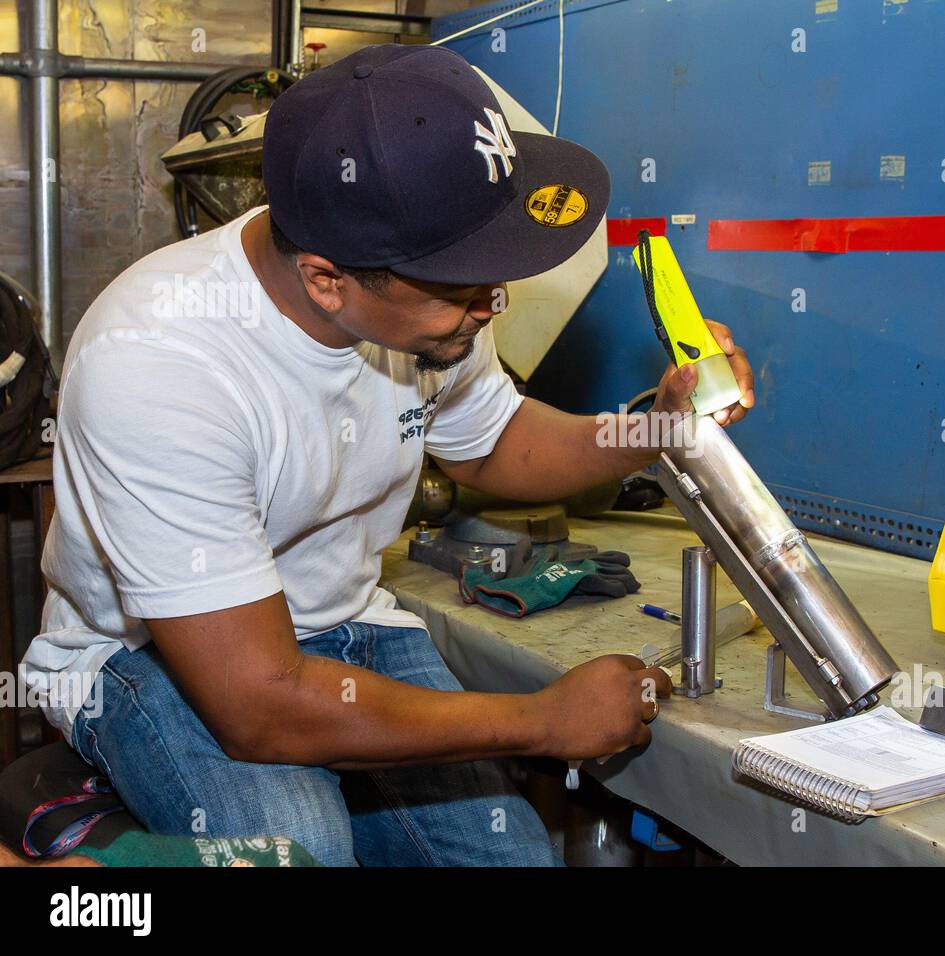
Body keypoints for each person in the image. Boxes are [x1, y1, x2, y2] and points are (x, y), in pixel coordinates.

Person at [20, 43, 754, 867]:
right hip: (156, 658)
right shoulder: (159, 365)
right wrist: (544, 721)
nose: (492, 306)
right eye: (463, 285)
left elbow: (497, 444)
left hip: (340, 627)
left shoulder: (427, 305)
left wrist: (657, 428)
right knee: (300, 854)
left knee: (510, 861)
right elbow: (261, 708)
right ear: (328, 279)